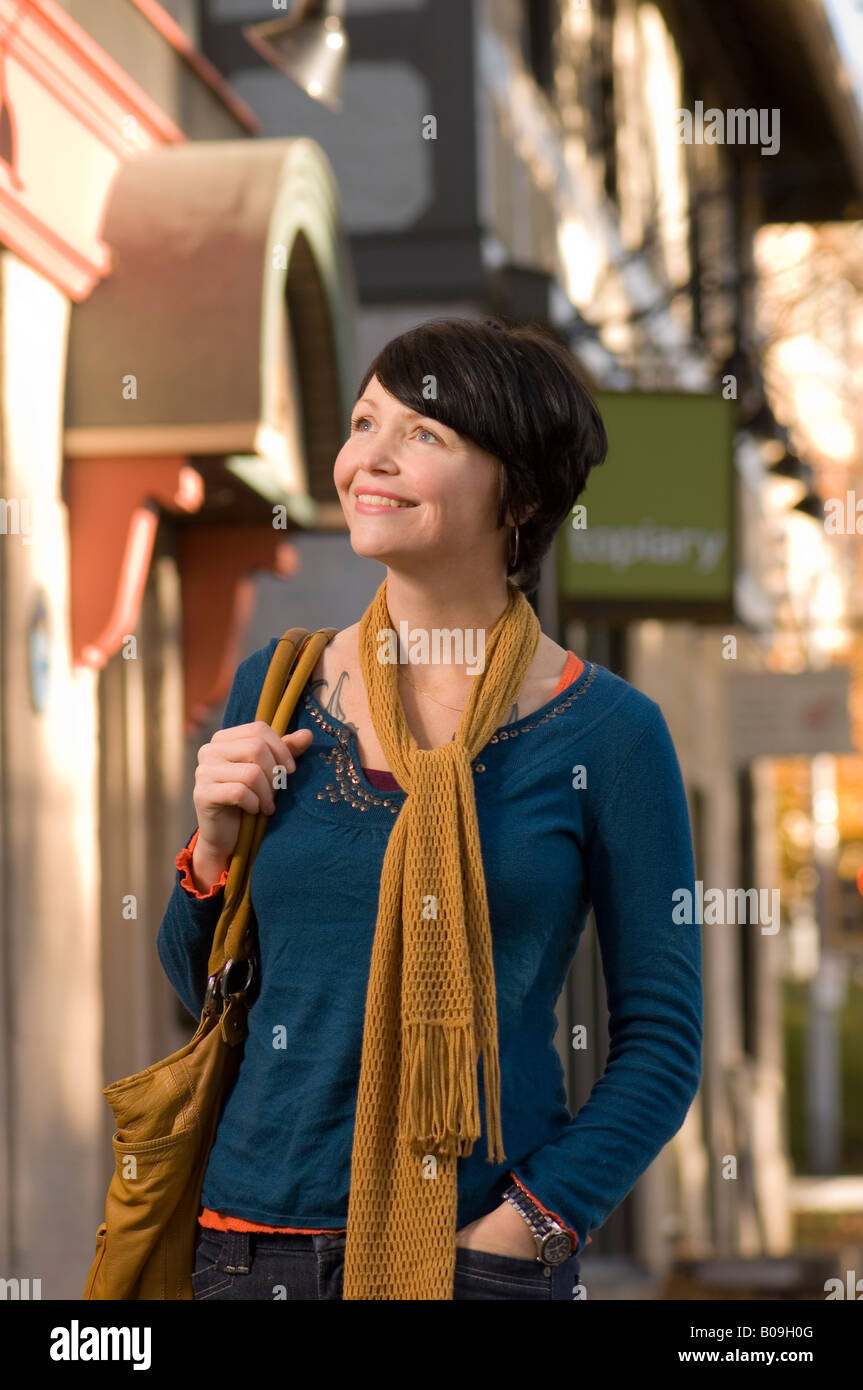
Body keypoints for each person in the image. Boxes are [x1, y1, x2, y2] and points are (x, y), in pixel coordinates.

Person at [157, 316, 703, 1301]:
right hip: (250, 1252)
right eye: (365, 420)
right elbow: (197, 986)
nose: (371, 456)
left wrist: (524, 1233)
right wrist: (210, 850)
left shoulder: (610, 734)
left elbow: (661, 1046)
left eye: (424, 434)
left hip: (473, 1257)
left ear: (521, 494)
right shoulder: (275, 690)